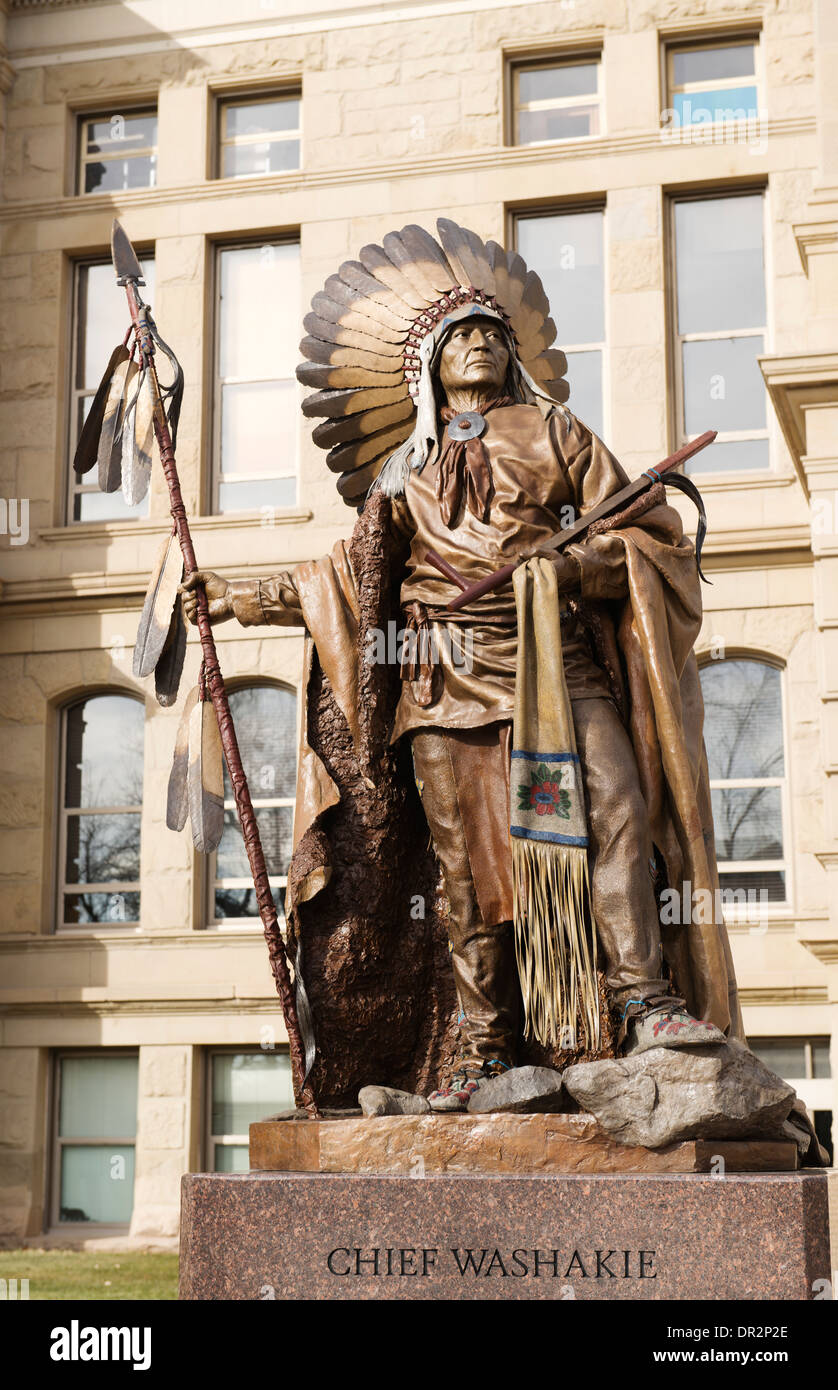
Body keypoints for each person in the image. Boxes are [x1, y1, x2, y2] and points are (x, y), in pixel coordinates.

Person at [182, 220, 740, 1112]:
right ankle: (485, 1048)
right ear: (429, 366)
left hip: (561, 675)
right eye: (459, 334)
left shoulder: (559, 434)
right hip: (445, 688)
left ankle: (645, 1004)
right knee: (467, 874)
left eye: (492, 331)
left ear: (512, 357)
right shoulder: (404, 478)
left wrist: (570, 566)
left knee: (615, 814)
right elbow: (347, 581)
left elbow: (647, 536)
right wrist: (238, 596)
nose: (478, 341)